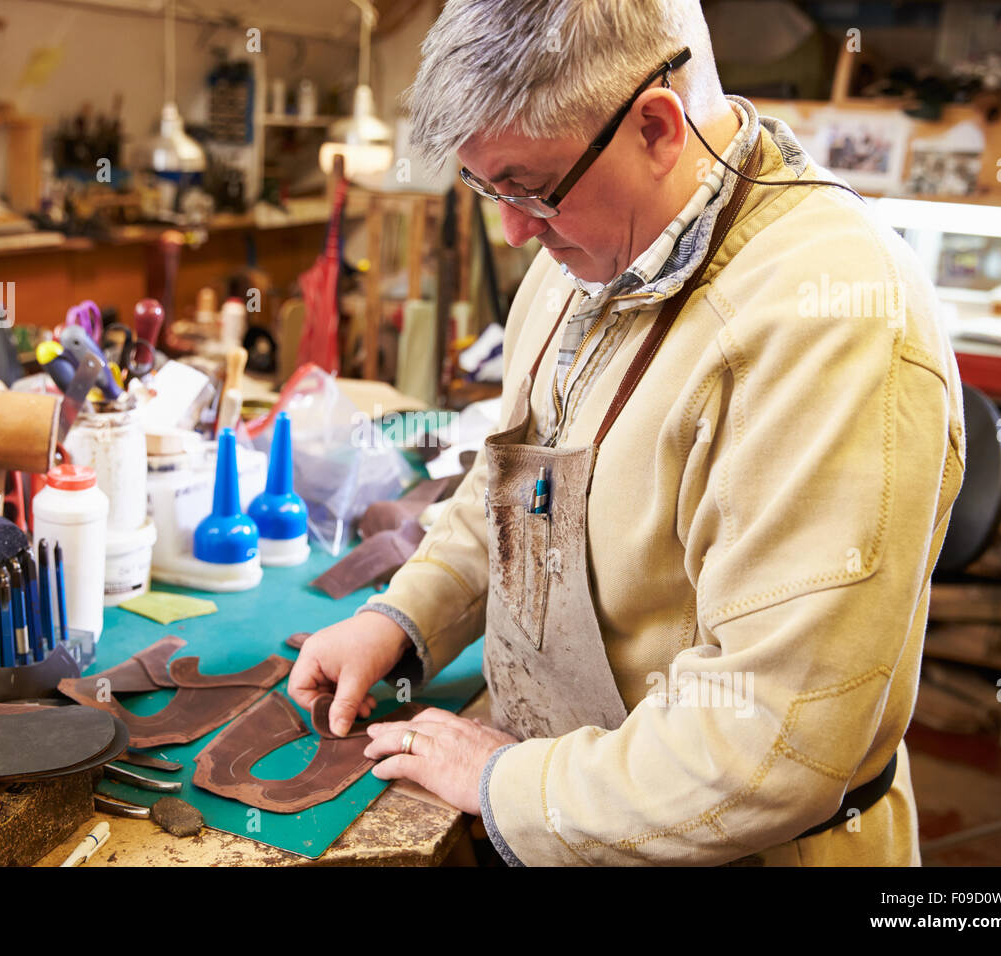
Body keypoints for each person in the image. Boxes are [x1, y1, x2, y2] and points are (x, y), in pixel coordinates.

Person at [289, 0, 964, 866]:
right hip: (570, 805)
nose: (513, 230)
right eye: (488, 186)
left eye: (531, 187)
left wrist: (508, 785)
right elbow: (517, 492)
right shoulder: (585, 251)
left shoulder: (834, 321)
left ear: (655, 127)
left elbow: (768, 746)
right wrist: (400, 619)